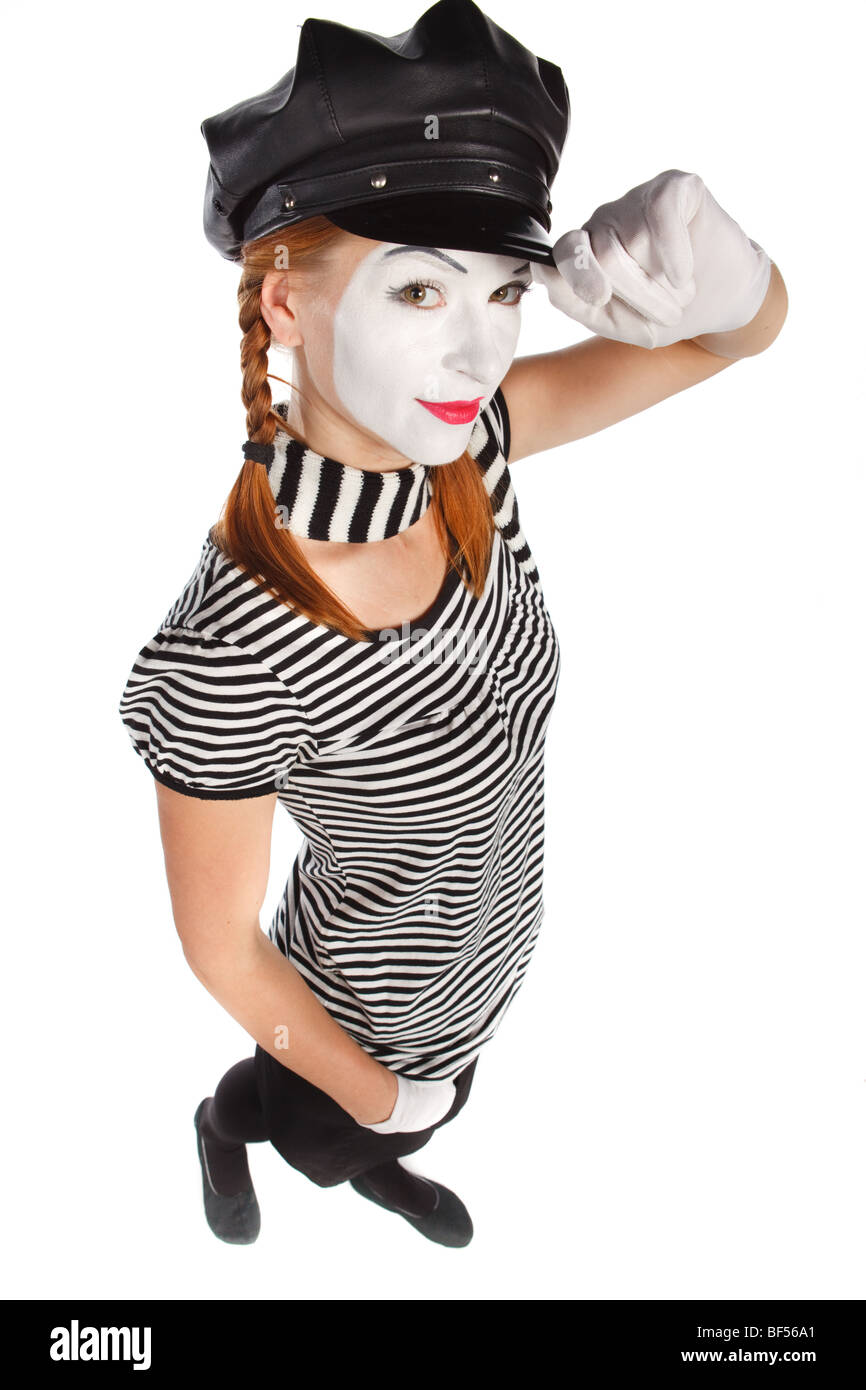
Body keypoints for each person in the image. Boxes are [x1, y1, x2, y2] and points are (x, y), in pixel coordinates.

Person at [118, 0, 788, 1248]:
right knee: (317, 1126)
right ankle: (232, 1129)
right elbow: (218, 949)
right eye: (418, 289)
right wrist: (376, 1091)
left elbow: (733, 343)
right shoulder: (228, 647)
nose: (477, 351)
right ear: (283, 308)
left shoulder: (468, 456)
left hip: (472, 986)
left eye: (504, 293)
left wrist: (725, 269)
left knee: (415, 1123)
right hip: (346, 1022)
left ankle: (389, 1151)